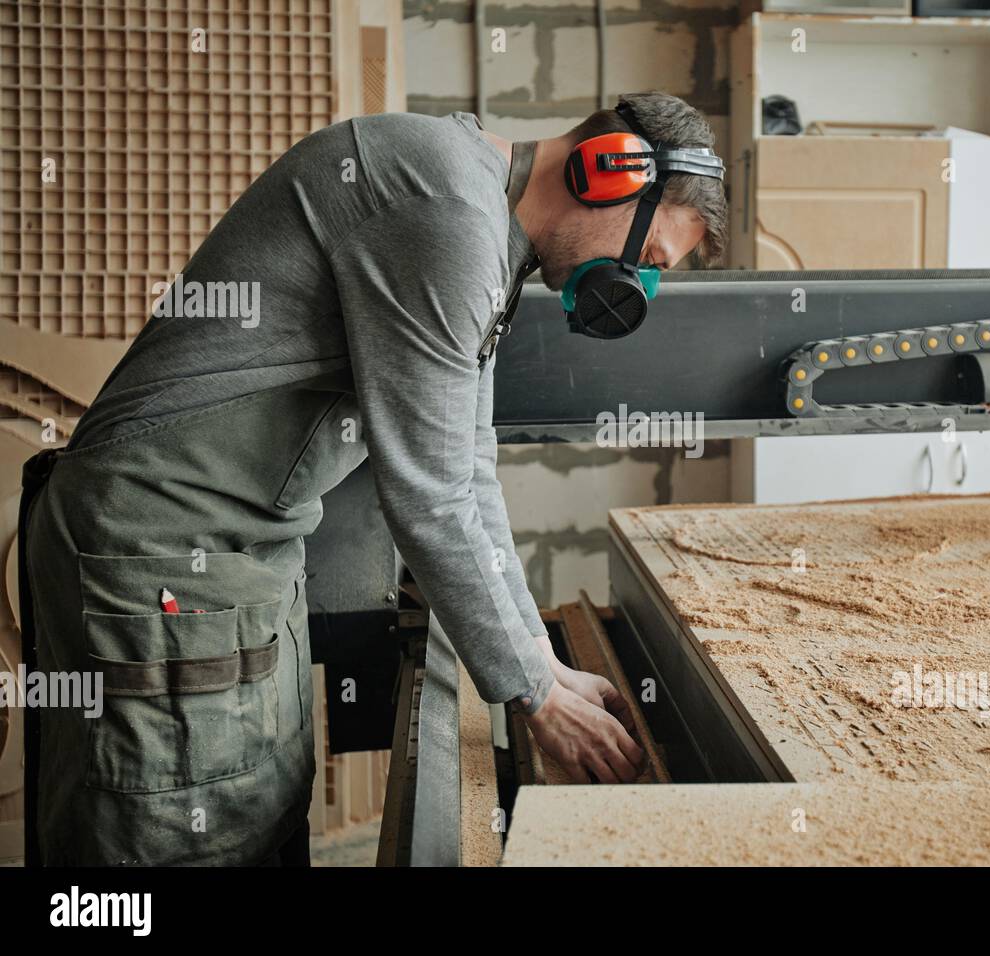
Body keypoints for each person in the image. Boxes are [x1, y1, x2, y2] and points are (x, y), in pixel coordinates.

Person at [18, 91, 727, 865]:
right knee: (178, 838)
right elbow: (431, 494)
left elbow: (469, 468)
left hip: (235, 554)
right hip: (162, 550)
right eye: (649, 258)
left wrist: (539, 659)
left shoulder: (479, 218)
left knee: (256, 815)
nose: (635, 285)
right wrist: (536, 697)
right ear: (609, 171)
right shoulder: (447, 213)